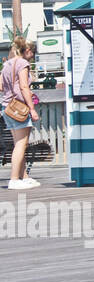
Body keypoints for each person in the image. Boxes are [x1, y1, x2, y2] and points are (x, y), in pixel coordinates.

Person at [3, 36, 40, 190]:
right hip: (20, 108)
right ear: (28, 50)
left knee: (19, 143)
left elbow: (0, 86)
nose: (33, 56)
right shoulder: (23, 63)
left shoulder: (7, 64)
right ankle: (14, 179)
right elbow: (24, 87)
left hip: (7, 107)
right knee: (20, 144)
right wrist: (32, 108)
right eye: (33, 52)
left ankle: (23, 177)